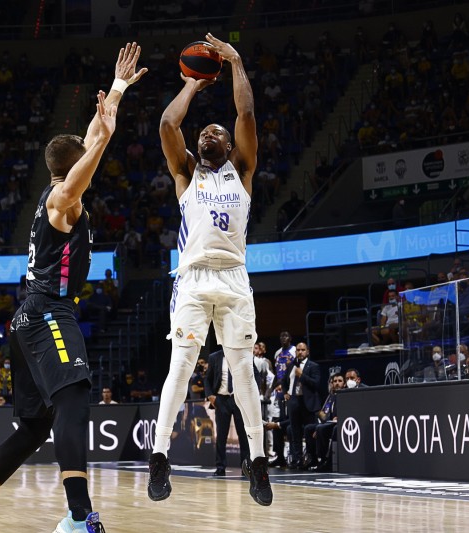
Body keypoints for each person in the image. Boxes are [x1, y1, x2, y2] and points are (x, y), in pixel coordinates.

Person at [0, 42, 145, 533]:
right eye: (85, 152)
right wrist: (102, 142)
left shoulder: (59, 193)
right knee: (73, 399)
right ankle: (77, 518)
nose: (91, 145)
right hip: (49, 311)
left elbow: (96, 130)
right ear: (71, 167)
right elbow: (87, 160)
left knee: (33, 428)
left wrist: (116, 89)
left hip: (30, 316)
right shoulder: (60, 201)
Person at [147, 33, 272, 507]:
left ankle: (257, 462)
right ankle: (159, 457)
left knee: (242, 372)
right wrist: (193, 86)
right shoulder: (185, 172)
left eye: (216, 133)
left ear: (229, 144)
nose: (208, 134)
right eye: (204, 132)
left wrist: (237, 61)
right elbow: (166, 123)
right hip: (194, 280)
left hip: (235, 279)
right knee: (180, 368)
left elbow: (245, 114)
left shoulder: (241, 169)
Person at [204, 348, 250, 476]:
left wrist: (252, 393)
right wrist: (210, 395)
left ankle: (246, 468)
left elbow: (254, 375)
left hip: (239, 399)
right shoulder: (214, 357)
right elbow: (207, 379)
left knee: (243, 434)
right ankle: (220, 467)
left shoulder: (242, 355)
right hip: (222, 399)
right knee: (221, 435)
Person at [282, 342, 321, 469]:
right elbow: (283, 381)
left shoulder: (313, 366)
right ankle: (298, 460)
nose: (300, 352)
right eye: (298, 350)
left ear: (307, 352)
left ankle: (312, 459)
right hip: (294, 401)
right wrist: (285, 392)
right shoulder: (291, 365)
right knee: (295, 433)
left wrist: (302, 376)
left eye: (303, 350)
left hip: (308, 402)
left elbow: (316, 384)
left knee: (309, 432)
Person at [302, 373, 344, 472]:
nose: (337, 383)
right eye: (334, 381)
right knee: (309, 428)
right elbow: (327, 416)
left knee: (320, 429)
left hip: (341, 423)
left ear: (344, 383)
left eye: (340, 381)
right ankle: (313, 459)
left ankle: (324, 460)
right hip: (330, 422)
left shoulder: (346, 395)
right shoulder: (332, 396)